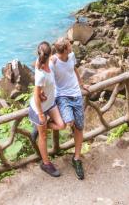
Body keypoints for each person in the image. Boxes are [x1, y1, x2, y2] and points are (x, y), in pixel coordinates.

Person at [51, 37, 87, 180]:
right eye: (69, 45)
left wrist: (82, 83)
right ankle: (43, 125)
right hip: (62, 96)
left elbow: (74, 69)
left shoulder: (71, 56)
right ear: (65, 49)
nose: (72, 46)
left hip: (76, 95)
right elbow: (41, 68)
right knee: (68, 122)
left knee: (79, 127)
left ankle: (76, 158)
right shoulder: (53, 61)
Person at [29, 41, 66, 177]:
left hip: (50, 103)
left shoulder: (48, 62)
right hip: (39, 108)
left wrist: (60, 55)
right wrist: (40, 115)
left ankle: (38, 128)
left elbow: (52, 58)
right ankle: (46, 164)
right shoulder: (40, 74)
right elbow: (36, 95)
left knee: (61, 125)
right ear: (48, 53)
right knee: (43, 136)